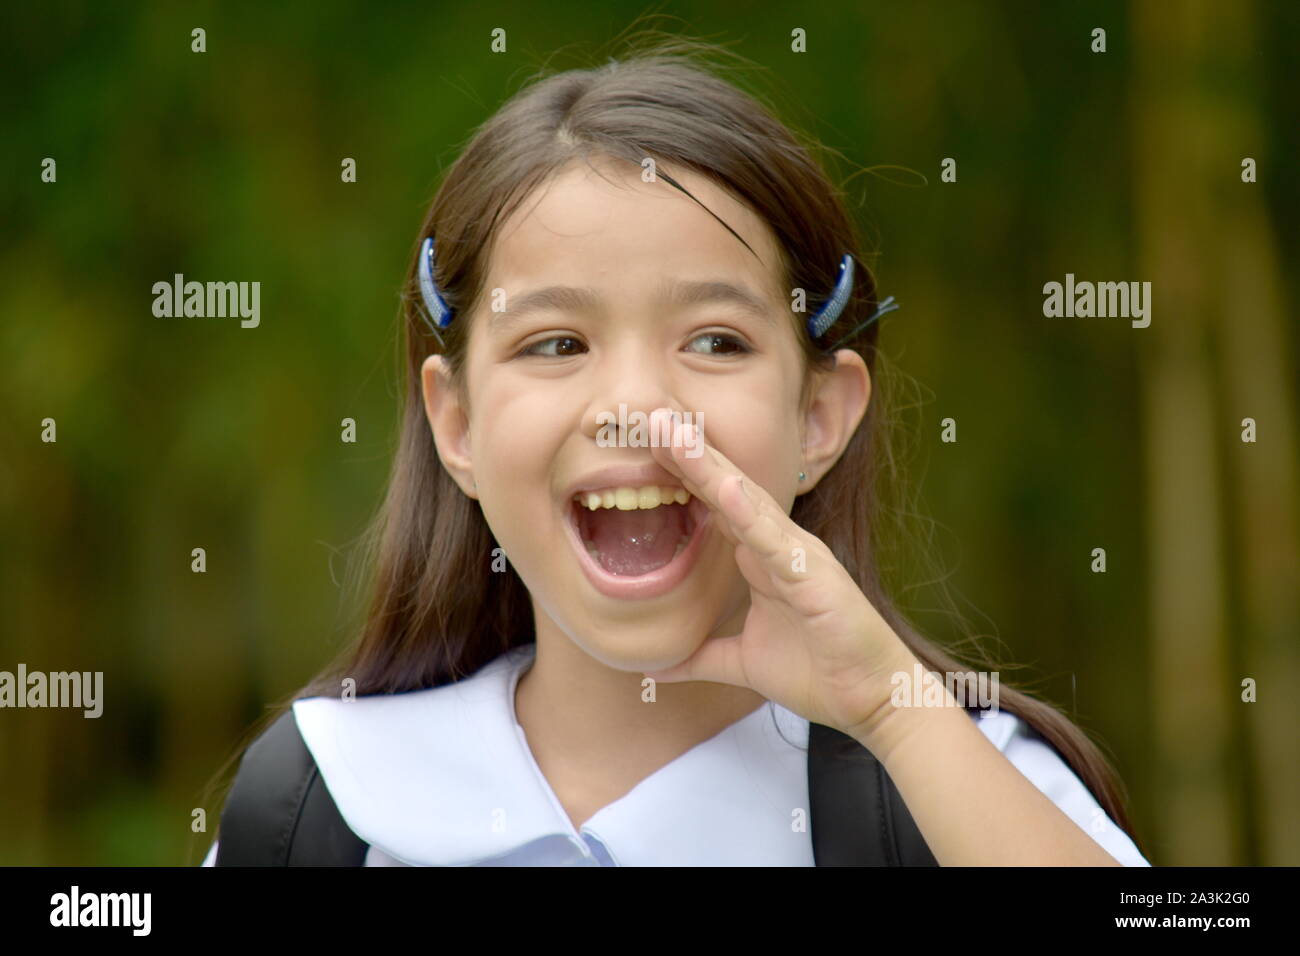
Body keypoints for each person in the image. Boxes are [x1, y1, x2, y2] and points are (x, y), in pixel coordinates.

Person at [201, 39, 1150, 867]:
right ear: (457, 427)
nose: (635, 410)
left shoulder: (947, 787)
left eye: (714, 341)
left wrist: (894, 714)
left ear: (819, 416)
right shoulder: (325, 806)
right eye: (557, 344)